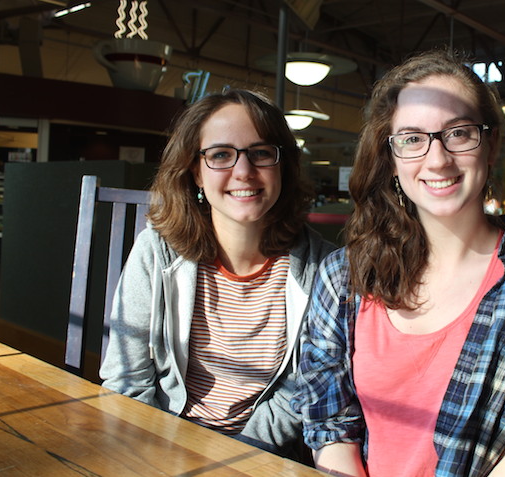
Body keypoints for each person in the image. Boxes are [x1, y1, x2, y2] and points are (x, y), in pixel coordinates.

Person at [293, 50, 505, 476]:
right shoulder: (344, 275)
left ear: (491, 144)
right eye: (412, 138)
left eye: (458, 133)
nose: (437, 159)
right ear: (392, 156)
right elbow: (329, 424)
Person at [100, 90, 336, 459]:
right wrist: (158, 453)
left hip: (262, 455)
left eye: (260, 153)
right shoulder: (156, 251)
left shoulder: (322, 267)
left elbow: (300, 391)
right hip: (159, 441)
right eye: (221, 155)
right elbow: (127, 379)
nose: (243, 171)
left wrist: (235, 457)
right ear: (195, 170)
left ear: (283, 165)